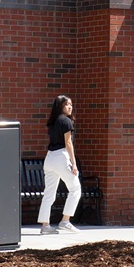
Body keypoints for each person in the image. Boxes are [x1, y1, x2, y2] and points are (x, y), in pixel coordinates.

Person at [39, 94, 82, 235]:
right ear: (60, 106)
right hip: (61, 157)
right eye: (66, 105)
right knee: (75, 189)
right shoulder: (66, 122)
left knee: (49, 193)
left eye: (71, 104)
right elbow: (68, 144)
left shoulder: (53, 122)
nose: (70, 107)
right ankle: (65, 221)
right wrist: (74, 164)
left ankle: (45, 226)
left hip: (49, 158)